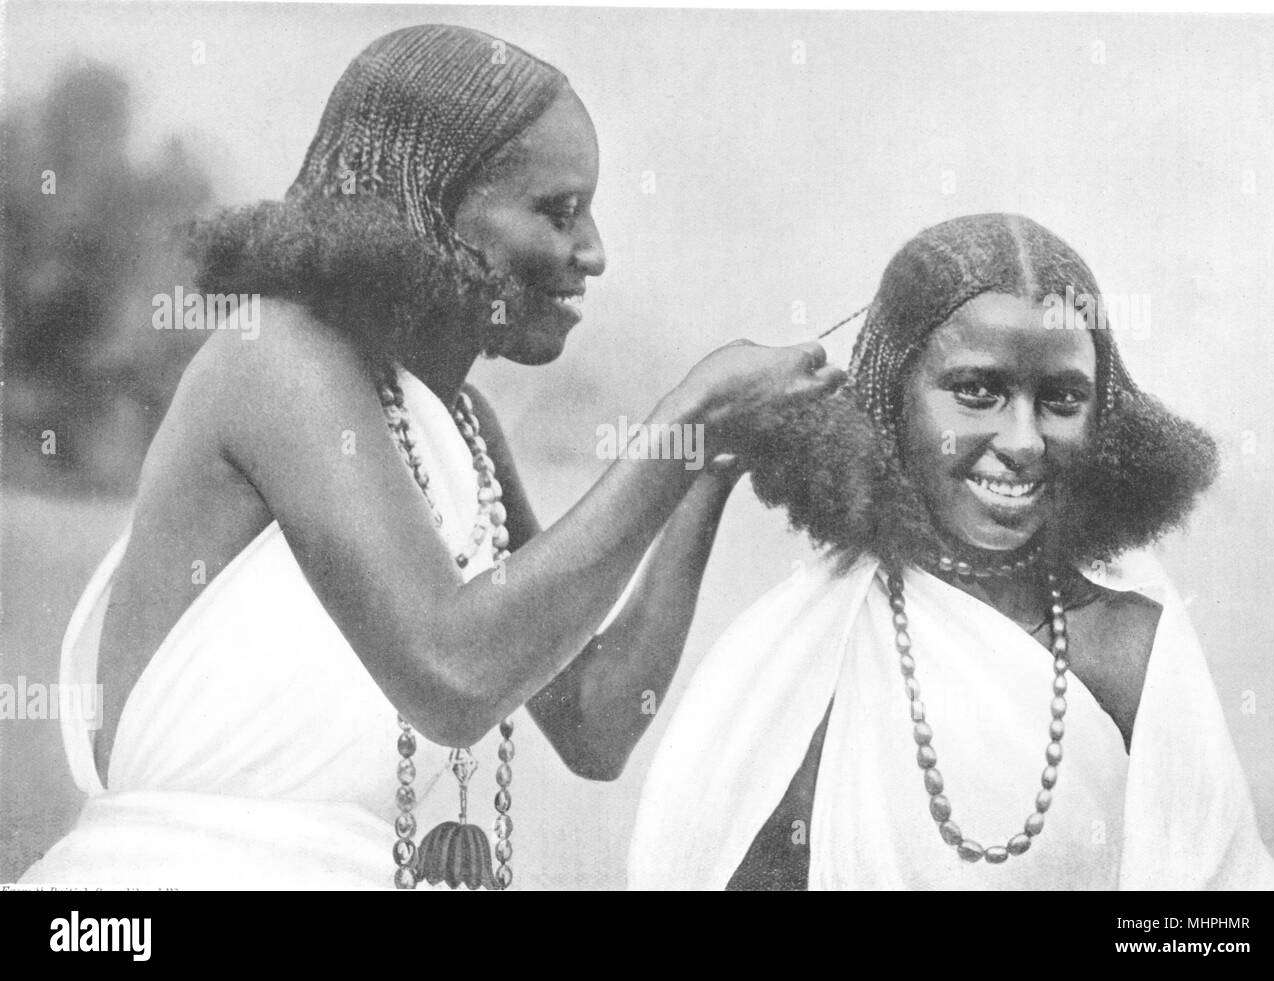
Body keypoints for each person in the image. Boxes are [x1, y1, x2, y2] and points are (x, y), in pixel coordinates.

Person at [21, 24, 841, 889]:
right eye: (558, 211)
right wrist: (693, 413)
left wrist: (708, 461)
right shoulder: (278, 357)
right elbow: (454, 673)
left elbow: (596, 722)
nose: (593, 251)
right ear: (429, 208)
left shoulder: (463, 425)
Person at [629, 213, 1274, 890]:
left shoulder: (1132, 649)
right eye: (978, 391)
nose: (1025, 440)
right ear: (892, 398)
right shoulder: (808, 658)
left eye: (1062, 398)